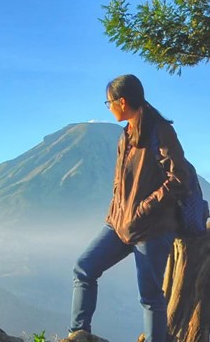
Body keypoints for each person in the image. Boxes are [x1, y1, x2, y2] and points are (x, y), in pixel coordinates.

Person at [65, 73, 189, 342]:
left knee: (150, 297)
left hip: (151, 228)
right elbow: (122, 184)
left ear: (122, 102)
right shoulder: (127, 134)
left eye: (108, 101)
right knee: (84, 268)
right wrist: (117, 213)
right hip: (120, 224)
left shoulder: (159, 130)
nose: (108, 107)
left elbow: (180, 178)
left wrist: (143, 209)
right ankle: (77, 334)